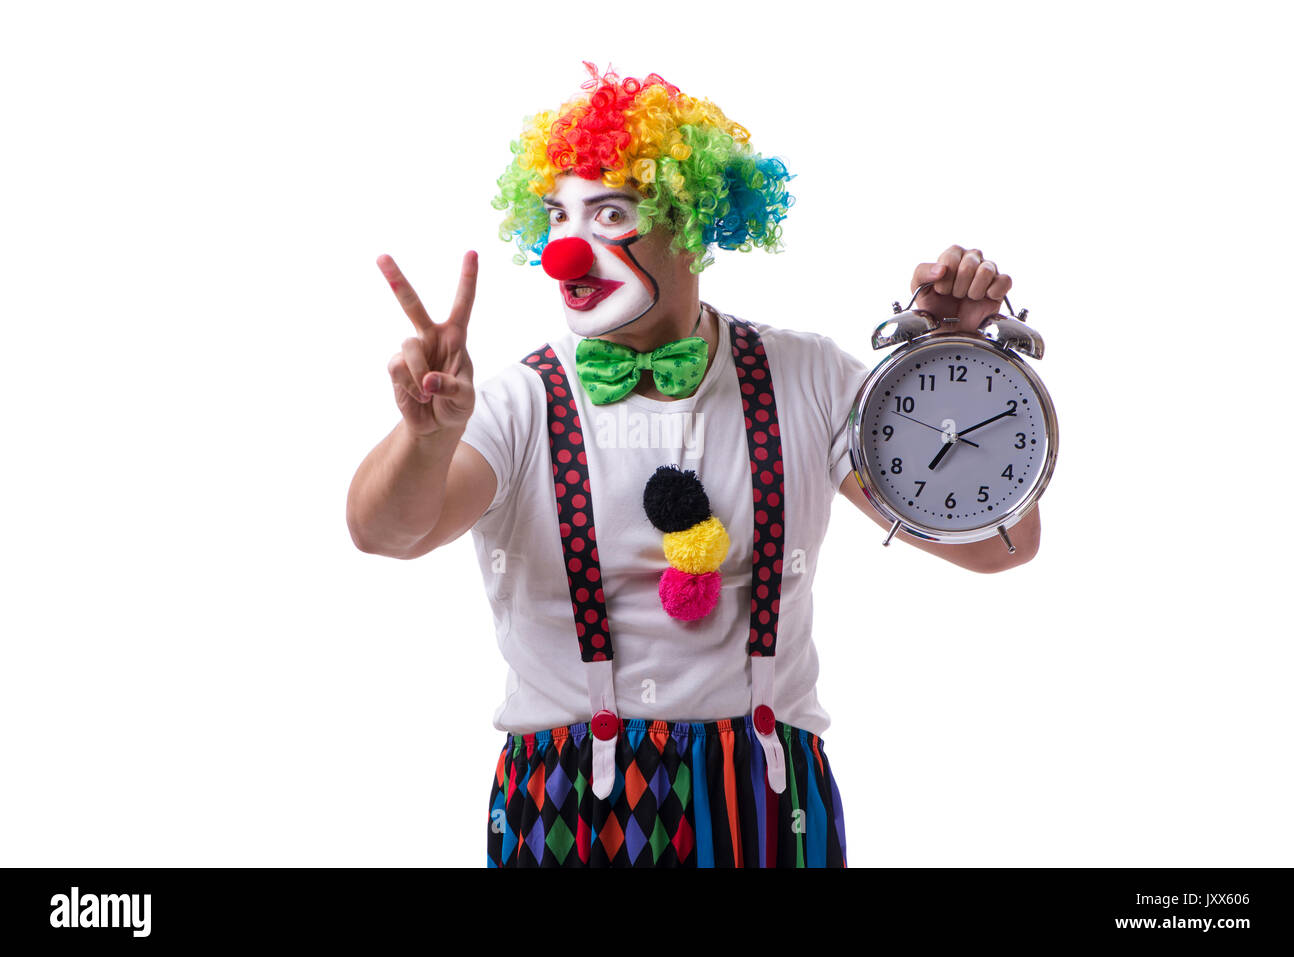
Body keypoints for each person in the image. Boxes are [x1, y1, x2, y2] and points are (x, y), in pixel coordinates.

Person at [346, 63, 1040, 868]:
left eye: (610, 214)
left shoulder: (808, 375)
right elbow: (385, 532)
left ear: (693, 223)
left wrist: (950, 361)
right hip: (564, 801)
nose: (569, 249)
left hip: (768, 796)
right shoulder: (517, 401)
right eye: (558, 217)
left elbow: (998, 545)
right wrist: (426, 438)